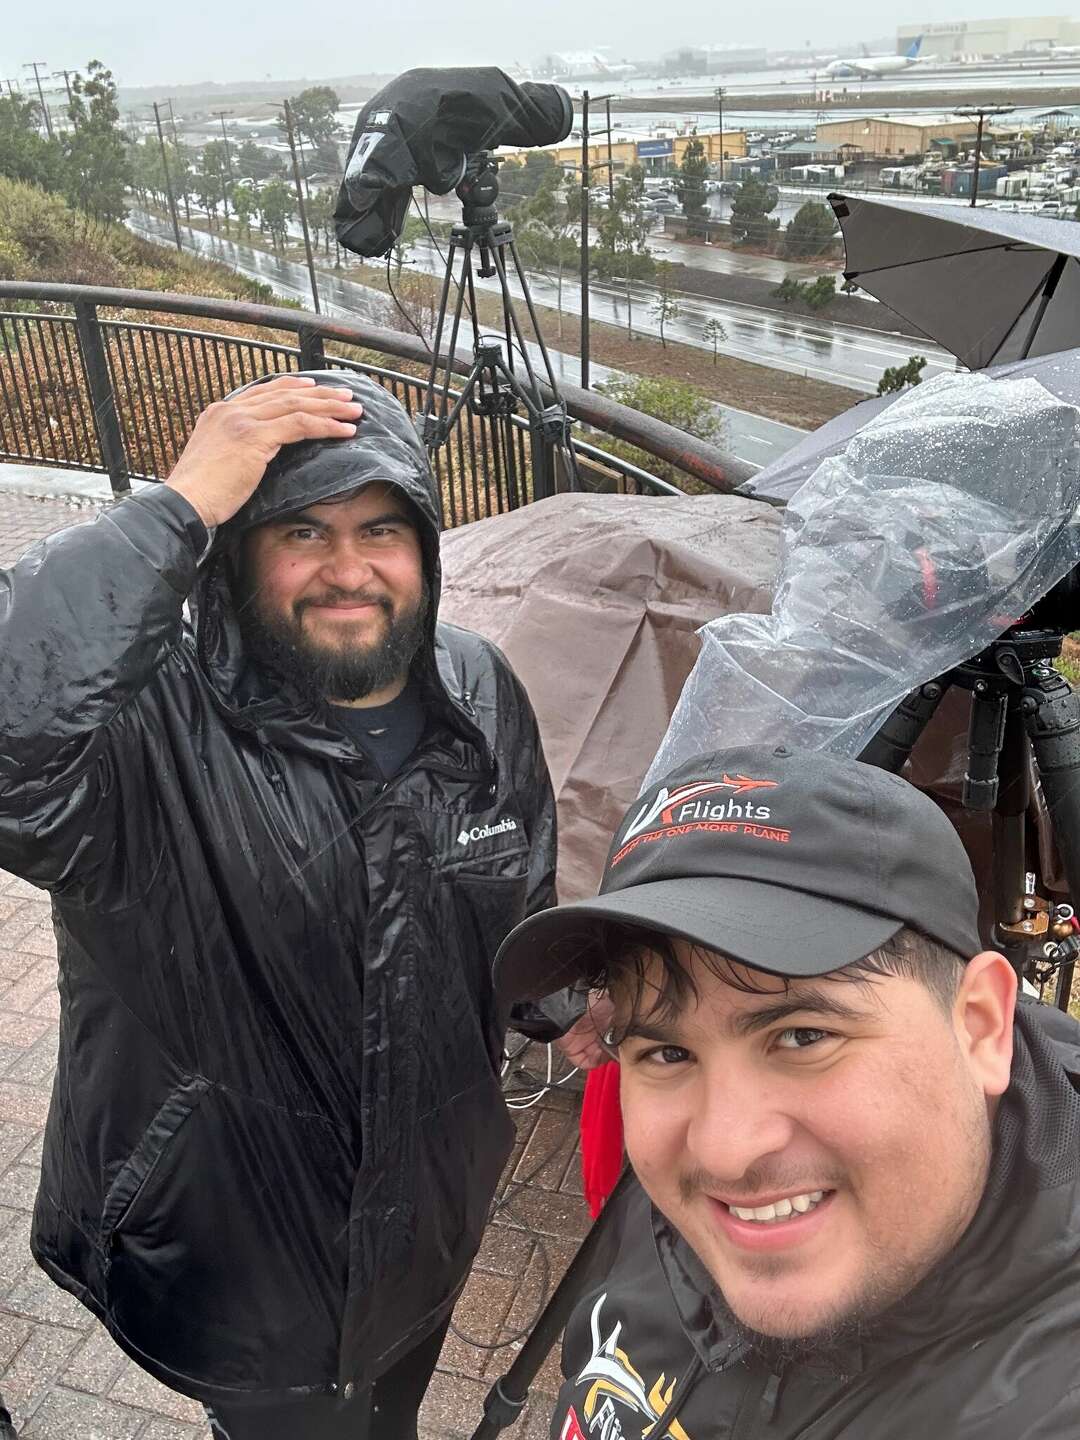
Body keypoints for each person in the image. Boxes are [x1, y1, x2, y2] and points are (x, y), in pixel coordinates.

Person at [0, 371, 561, 1440]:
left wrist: (569, 996)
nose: (348, 571)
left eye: (383, 530)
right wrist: (172, 508)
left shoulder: (478, 685)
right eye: (302, 531)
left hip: (429, 1223)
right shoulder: (144, 718)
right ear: (237, 550)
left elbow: (522, 889)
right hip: (234, 1259)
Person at [494, 744, 1080, 1439]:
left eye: (803, 1037)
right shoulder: (680, 1195)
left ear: (981, 1025)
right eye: (668, 1051)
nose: (723, 1150)